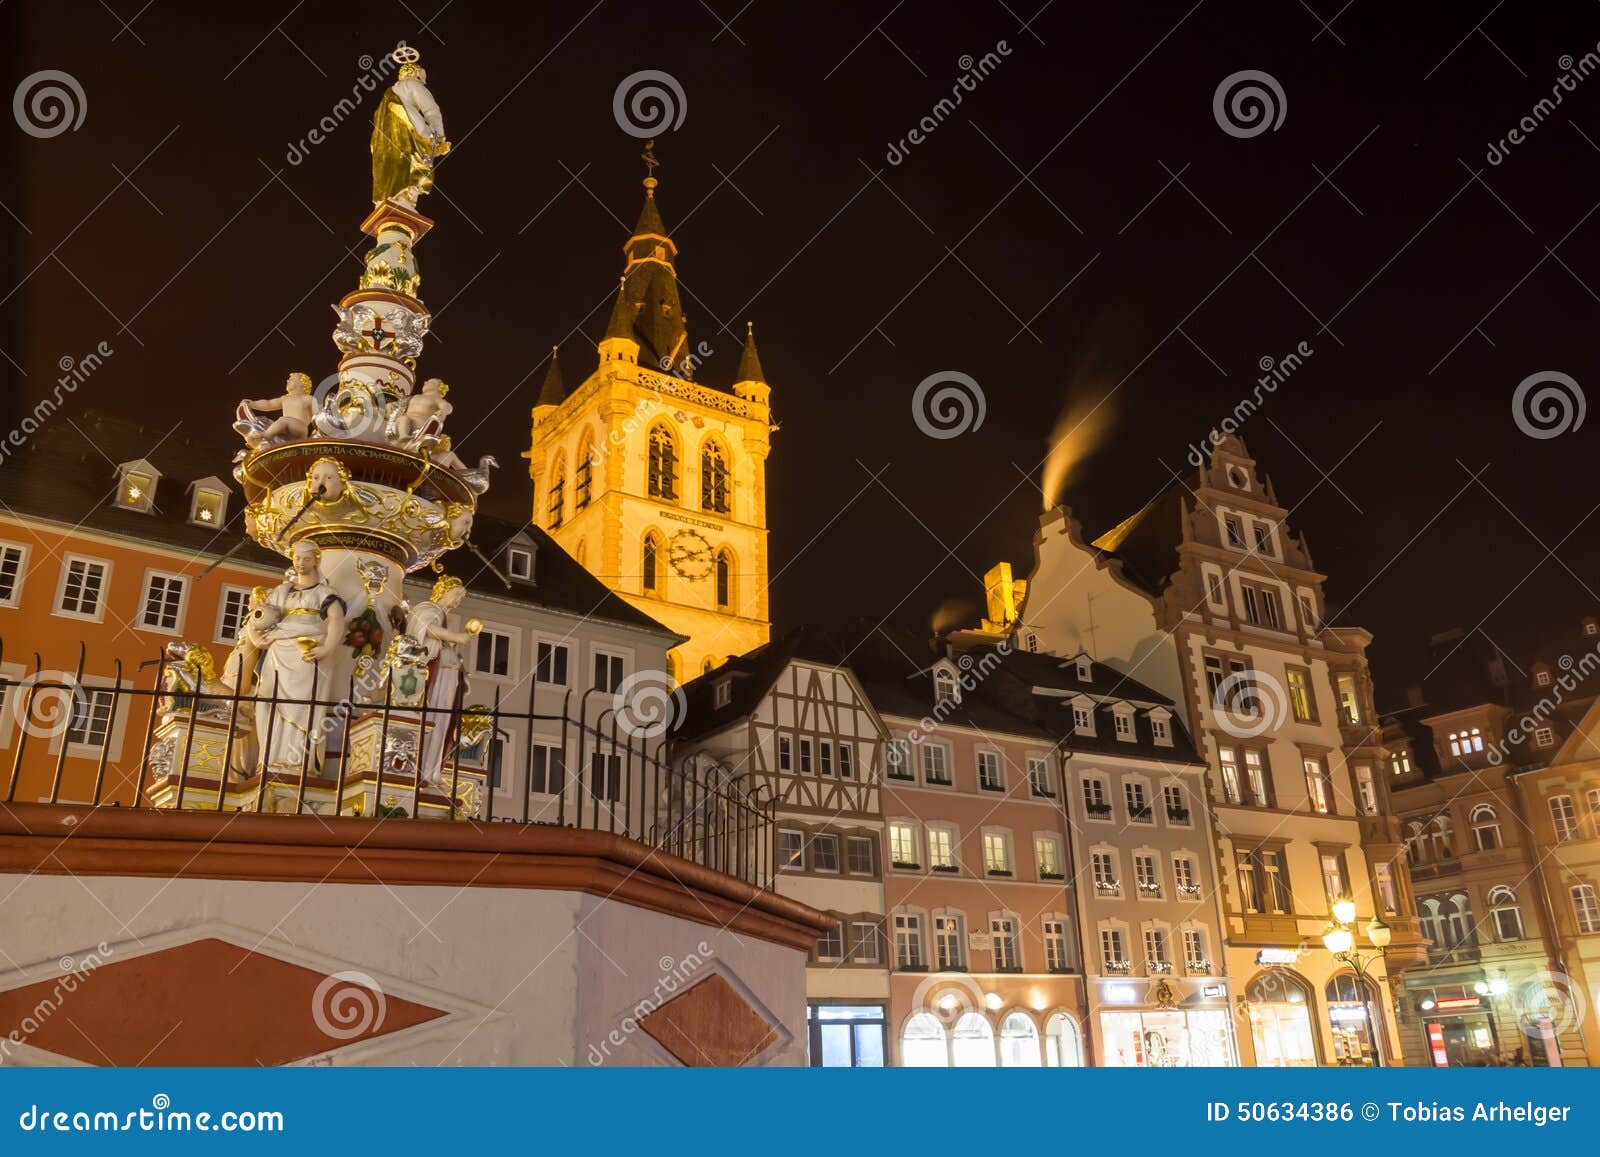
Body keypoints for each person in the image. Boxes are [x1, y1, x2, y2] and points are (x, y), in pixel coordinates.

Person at [253, 541, 346, 777]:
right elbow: (257, 617)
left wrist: (327, 648)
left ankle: (295, 761)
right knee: (267, 701)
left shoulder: (325, 593)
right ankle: (270, 757)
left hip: (306, 652)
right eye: (296, 558)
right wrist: (255, 637)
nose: (300, 564)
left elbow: (336, 620)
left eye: (306, 559)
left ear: (316, 560)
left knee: (301, 705)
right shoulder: (282, 591)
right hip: (277, 650)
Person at [405, 574, 474, 782]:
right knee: (432, 719)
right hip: (434, 677)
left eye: (461, 598)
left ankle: (431, 769)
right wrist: (456, 637)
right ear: (442, 591)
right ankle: (422, 769)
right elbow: (424, 629)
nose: (457, 601)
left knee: (442, 722)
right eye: (455, 595)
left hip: (446, 677)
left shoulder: (441, 615)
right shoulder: (428, 608)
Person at [238, 373, 315, 448]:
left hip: (300, 428)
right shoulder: (284, 398)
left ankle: (264, 437)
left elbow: (318, 415)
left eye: (292, 379)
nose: (287, 381)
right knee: (265, 421)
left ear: (302, 384)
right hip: (285, 431)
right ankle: (265, 444)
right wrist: (252, 404)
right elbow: (269, 404)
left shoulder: (308, 398)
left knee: (284, 420)